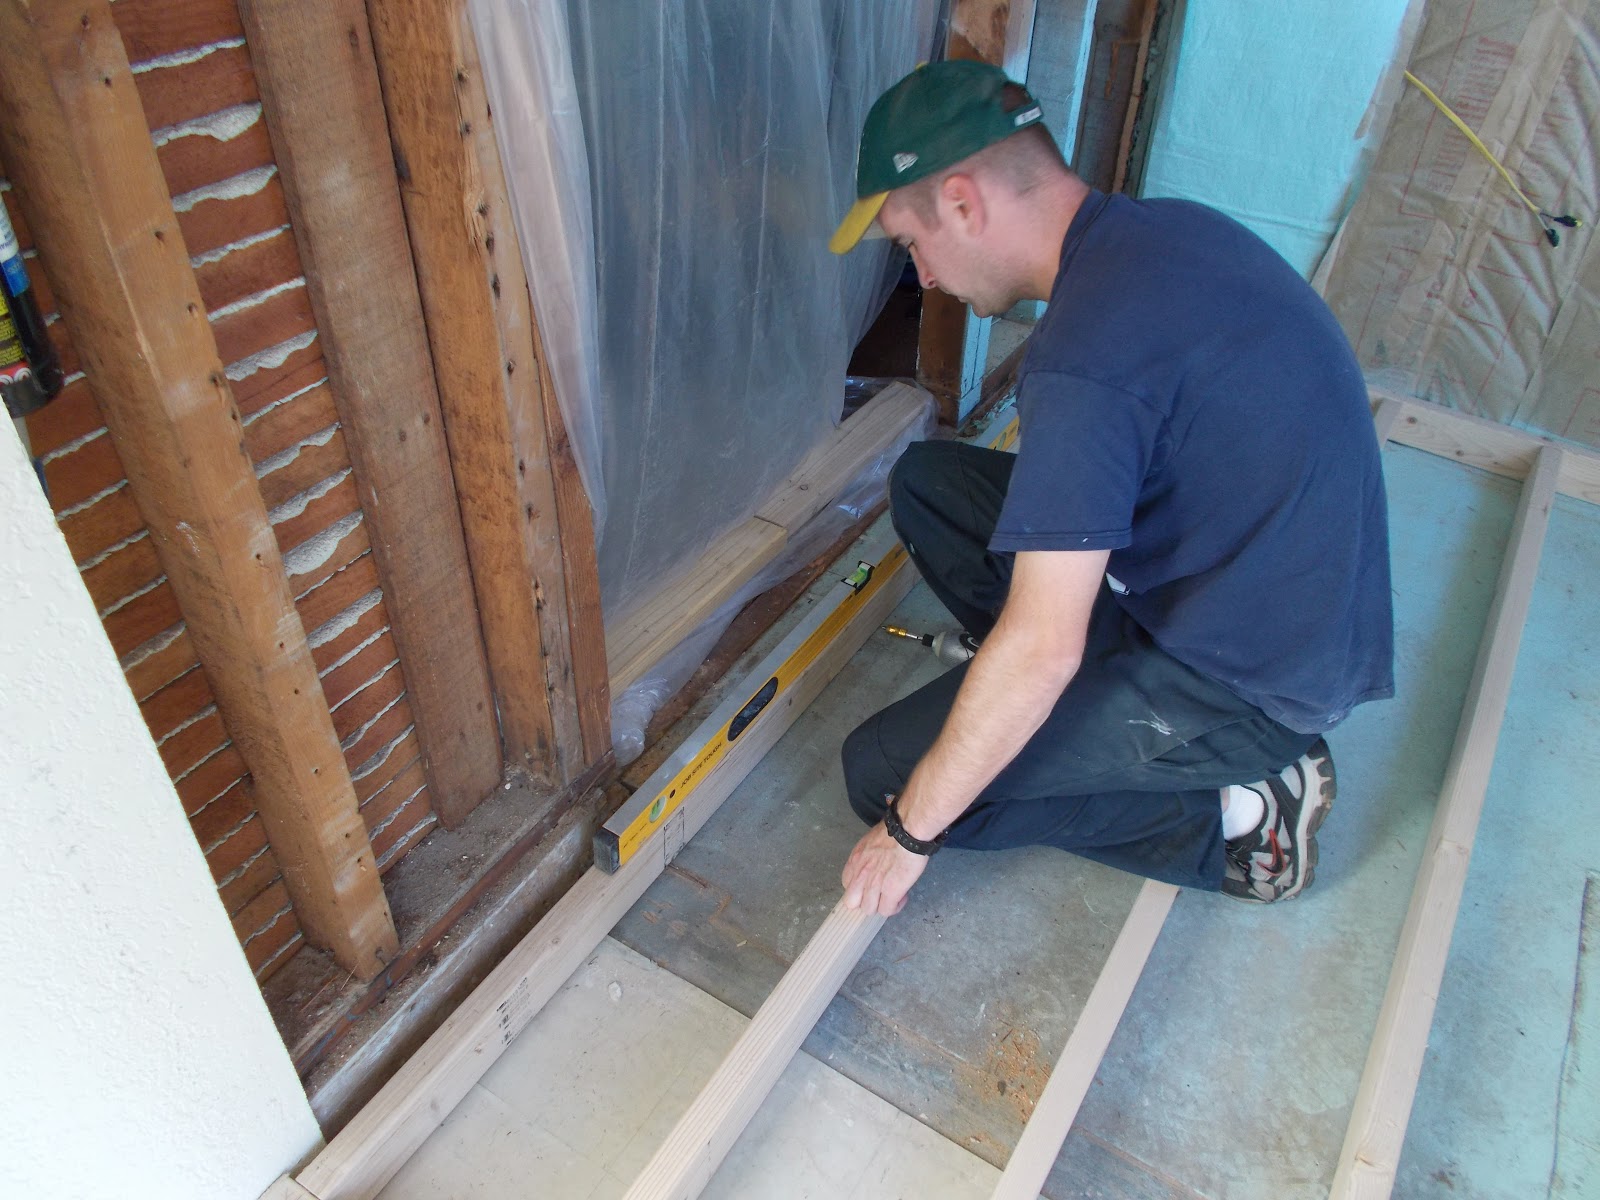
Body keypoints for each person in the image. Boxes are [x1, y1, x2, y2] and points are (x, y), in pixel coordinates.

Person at [828, 61, 1393, 917]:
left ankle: (1237, 818)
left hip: (1250, 682)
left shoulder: (1088, 359)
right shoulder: (1157, 234)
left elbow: (1045, 646)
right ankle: (1061, 711)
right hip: (1242, 591)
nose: (928, 278)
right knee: (931, 482)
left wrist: (910, 834)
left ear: (962, 203)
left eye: (913, 244)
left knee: (887, 779)